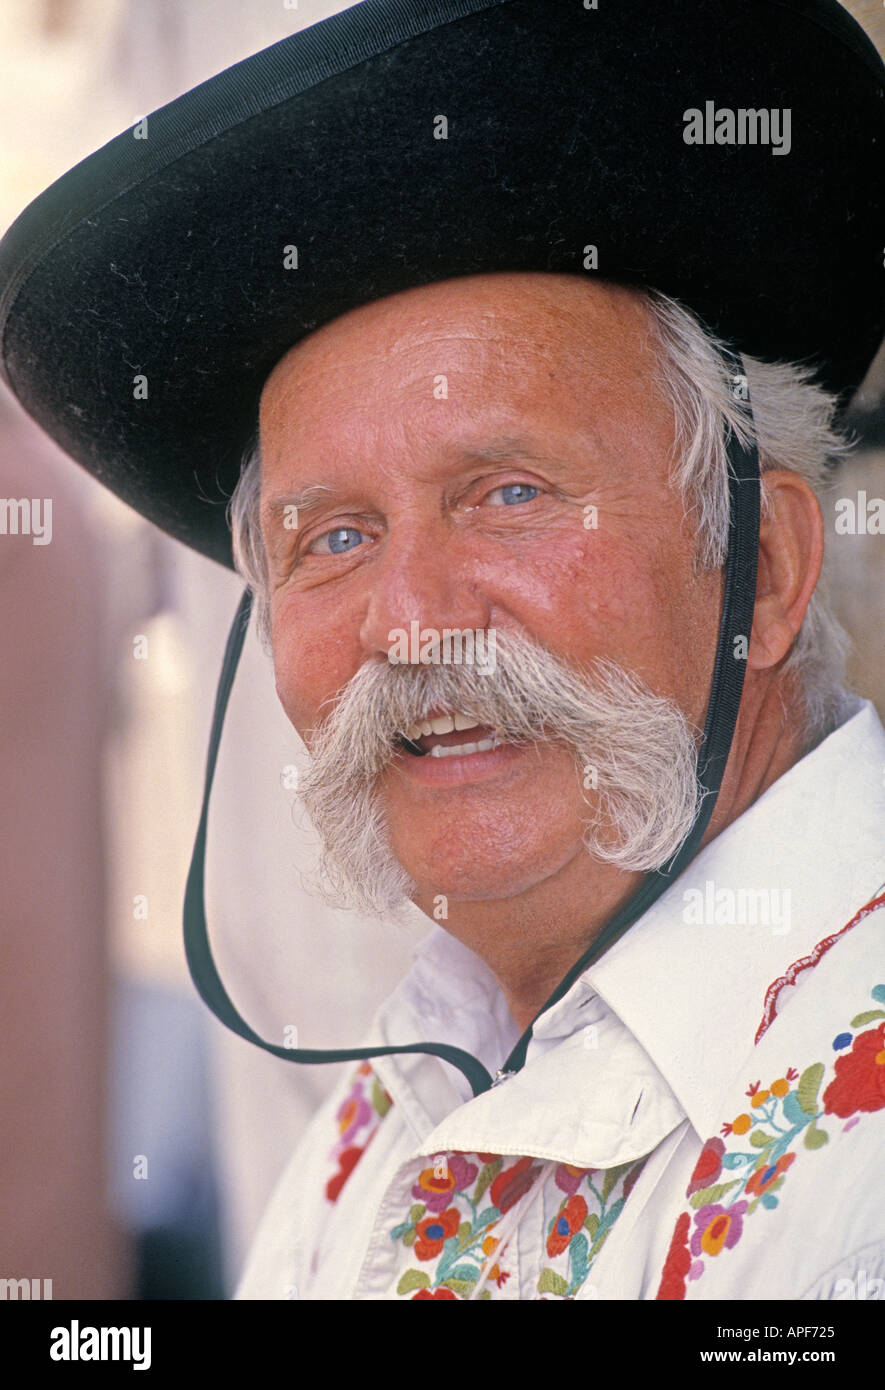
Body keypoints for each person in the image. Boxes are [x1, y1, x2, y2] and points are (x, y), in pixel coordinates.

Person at [1, 0, 883, 1301]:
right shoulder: (394, 1098)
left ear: (760, 565)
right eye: (334, 537)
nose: (407, 619)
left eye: (507, 494)